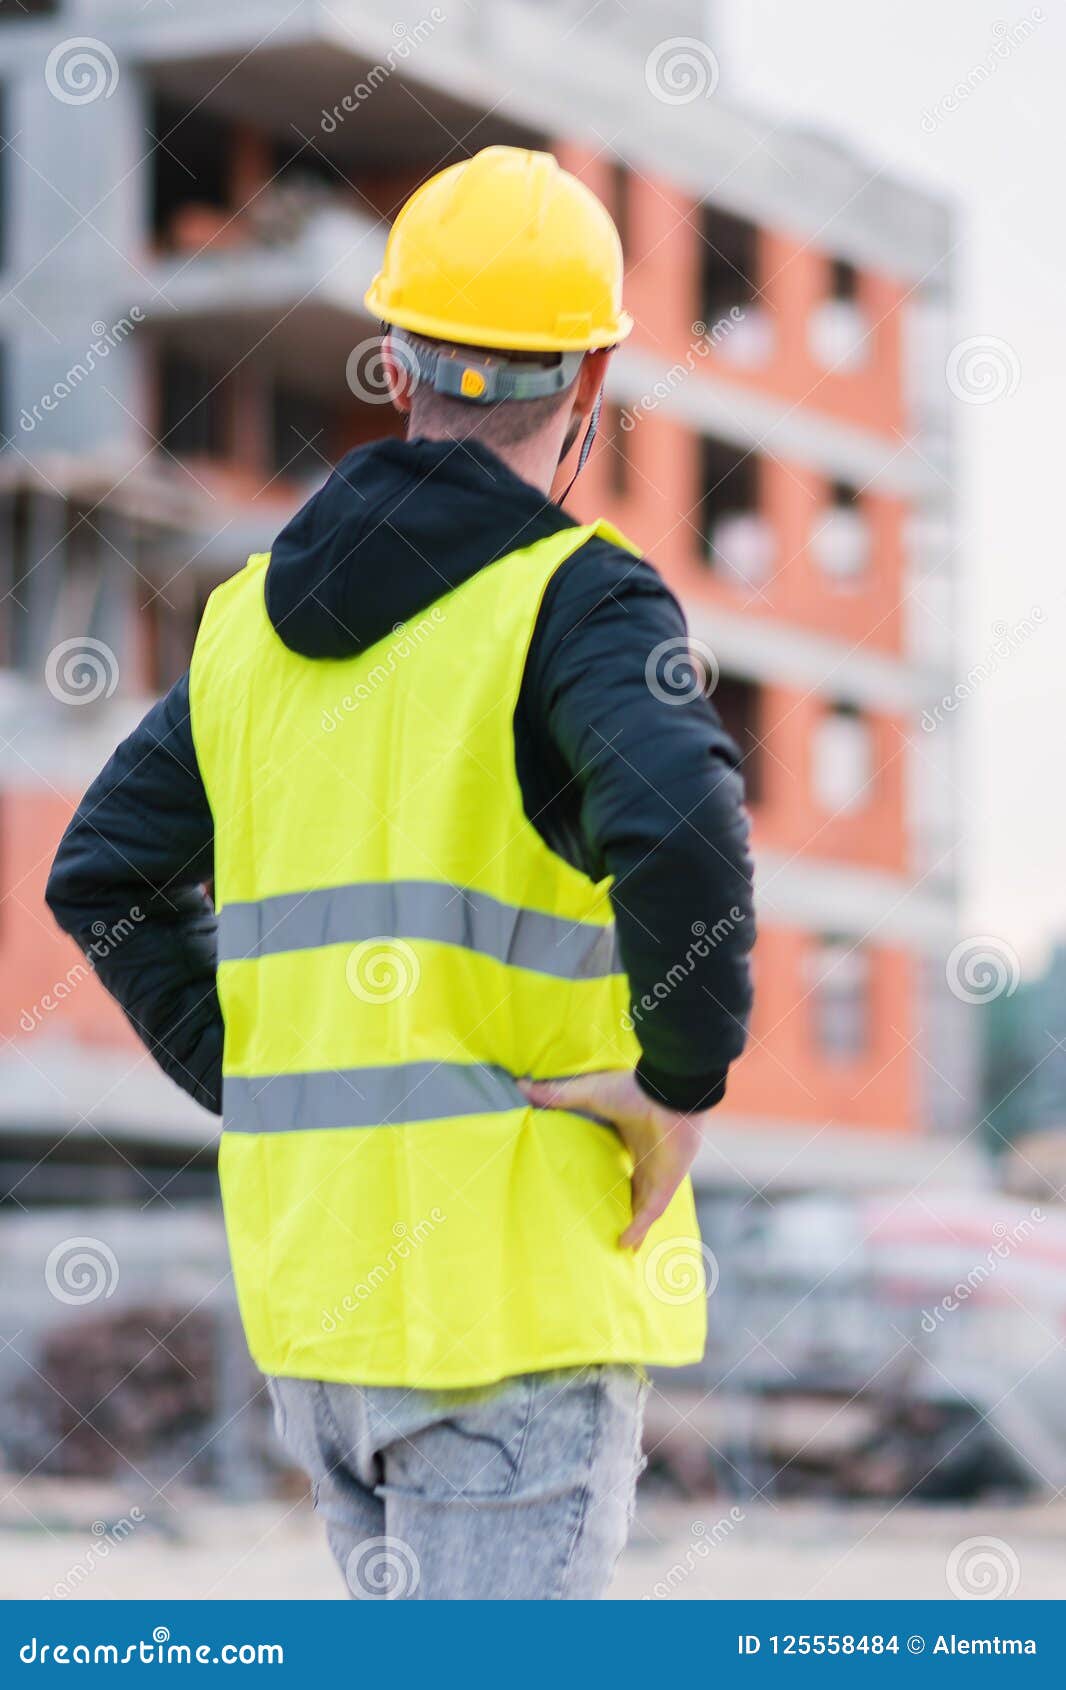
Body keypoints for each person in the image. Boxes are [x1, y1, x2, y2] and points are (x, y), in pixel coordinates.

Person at [46, 146, 755, 1599]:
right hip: (512, 1319)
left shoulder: (241, 627)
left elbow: (103, 876)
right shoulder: (579, 599)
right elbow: (685, 834)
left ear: (394, 363)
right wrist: (679, 1085)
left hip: (324, 1326)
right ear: (588, 385)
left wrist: (264, 1078)